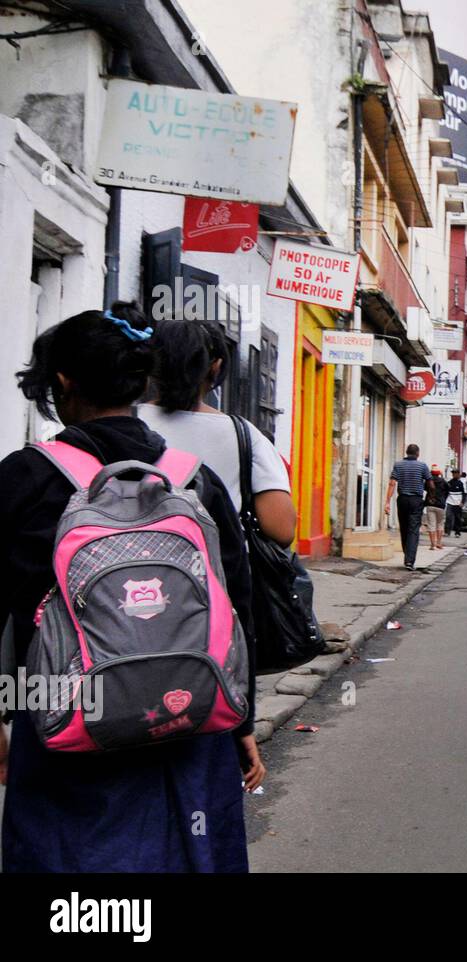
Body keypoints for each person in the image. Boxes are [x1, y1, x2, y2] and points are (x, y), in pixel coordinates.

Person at [0, 307, 261, 872]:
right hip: (188, 713)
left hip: (59, 714)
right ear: (140, 383)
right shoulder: (193, 481)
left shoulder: (22, 477)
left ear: (62, 382)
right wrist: (241, 720)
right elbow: (238, 607)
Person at [138, 318, 296, 548]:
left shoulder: (125, 423)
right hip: (219, 573)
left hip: (126, 571)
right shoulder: (244, 436)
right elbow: (281, 529)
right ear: (216, 366)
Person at [386, 444, 431, 569]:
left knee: (404, 528)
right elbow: (430, 483)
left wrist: (387, 502)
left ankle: (407, 554)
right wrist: (430, 497)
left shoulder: (398, 465)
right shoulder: (422, 466)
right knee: (413, 530)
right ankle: (409, 561)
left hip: (402, 500)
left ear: (406, 452)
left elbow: (392, 483)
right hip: (416, 500)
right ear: (417, 454)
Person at [425, 468, 449, 550]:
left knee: (431, 524)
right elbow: (448, 490)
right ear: (439, 473)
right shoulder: (443, 481)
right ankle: (439, 543)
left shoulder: (428, 481)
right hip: (441, 505)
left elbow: (425, 488)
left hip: (430, 504)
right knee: (440, 524)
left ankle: (432, 545)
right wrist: (443, 499)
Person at [444, 469, 466, 538]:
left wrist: (462, 502)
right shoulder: (449, 483)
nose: (454, 475)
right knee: (448, 517)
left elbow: (464, 494)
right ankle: (447, 532)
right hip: (450, 503)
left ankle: (457, 532)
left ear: (458, 474)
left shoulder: (461, 483)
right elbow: (446, 493)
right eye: (453, 473)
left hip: (458, 504)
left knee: (458, 519)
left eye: (456, 473)